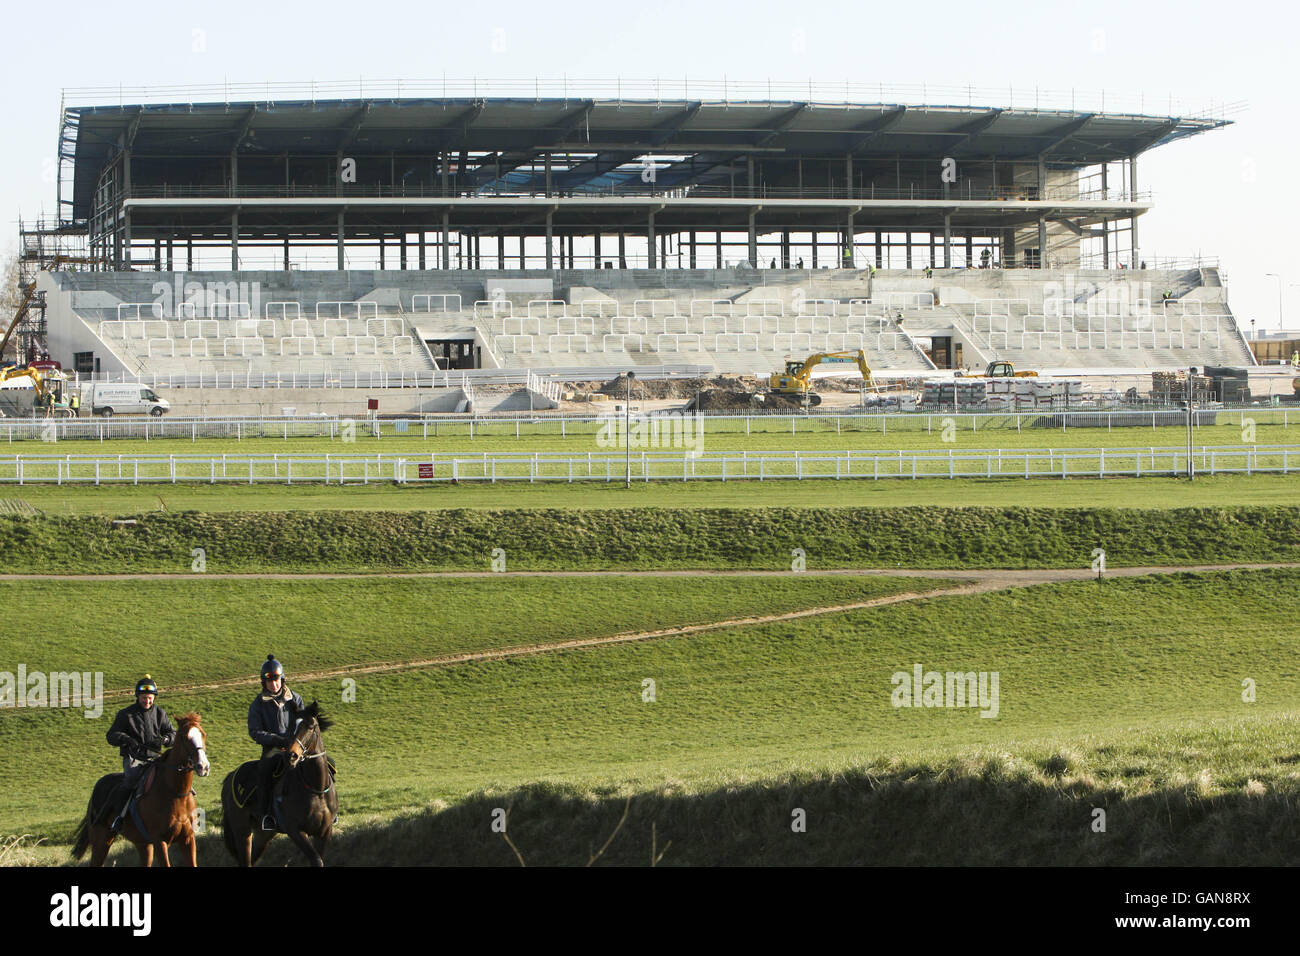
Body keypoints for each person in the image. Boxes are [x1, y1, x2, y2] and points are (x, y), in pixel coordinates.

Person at [105, 676, 176, 833]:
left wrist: (165, 739)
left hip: (156, 759)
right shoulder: (125, 714)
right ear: (138, 697)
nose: (147, 701)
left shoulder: (160, 713)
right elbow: (111, 735)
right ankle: (120, 818)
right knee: (130, 781)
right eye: (144, 698)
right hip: (134, 760)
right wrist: (126, 739)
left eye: (150, 698)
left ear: (154, 698)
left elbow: (173, 733)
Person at [248, 654, 304, 831]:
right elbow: (255, 731)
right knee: (265, 770)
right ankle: (266, 815)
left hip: (296, 747)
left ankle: (329, 810)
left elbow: (302, 723)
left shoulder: (295, 699)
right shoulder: (257, 704)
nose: (274, 684)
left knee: (323, 764)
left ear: (282, 678)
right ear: (264, 683)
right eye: (270, 681)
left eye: (276, 679)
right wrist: (277, 740)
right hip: (273, 749)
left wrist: (295, 740)